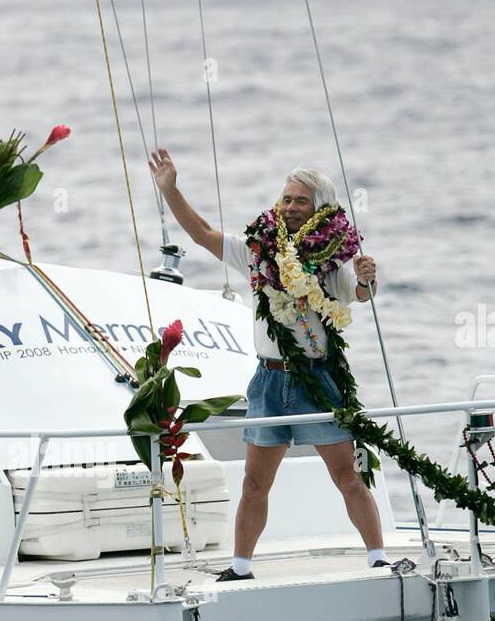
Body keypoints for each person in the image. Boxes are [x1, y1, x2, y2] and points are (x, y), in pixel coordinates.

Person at [147, 150, 388, 581]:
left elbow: (359, 290)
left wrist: (368, 276)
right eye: (287, 199)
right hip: (269, 382)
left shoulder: (333, 262)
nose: (291, 207)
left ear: (321, 210)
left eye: (302, 201)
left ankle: (377, 557)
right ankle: (241, 566)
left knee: (348, 477)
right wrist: (170, 189)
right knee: (255, 484)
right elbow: (202, 234)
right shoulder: (258, 253)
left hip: (319, 382)